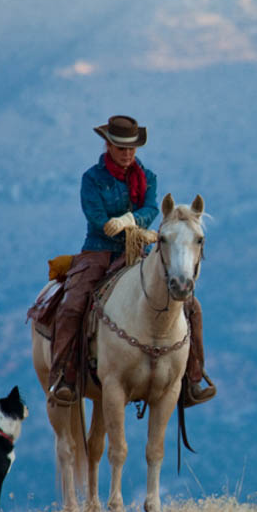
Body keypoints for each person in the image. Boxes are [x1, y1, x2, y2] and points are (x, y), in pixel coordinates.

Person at [48, 115, 215, 407]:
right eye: (121, 148)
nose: (127, 154)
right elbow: (95, 215)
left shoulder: (147, 177)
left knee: (191, 306)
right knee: (73, 303)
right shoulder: (92, 179)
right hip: (99, 249)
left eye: (131, 149)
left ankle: (192, 378)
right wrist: (111, 224)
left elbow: (151, 207)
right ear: (108, 145)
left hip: (137, 251)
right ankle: (65, 377)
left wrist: (131, 220)